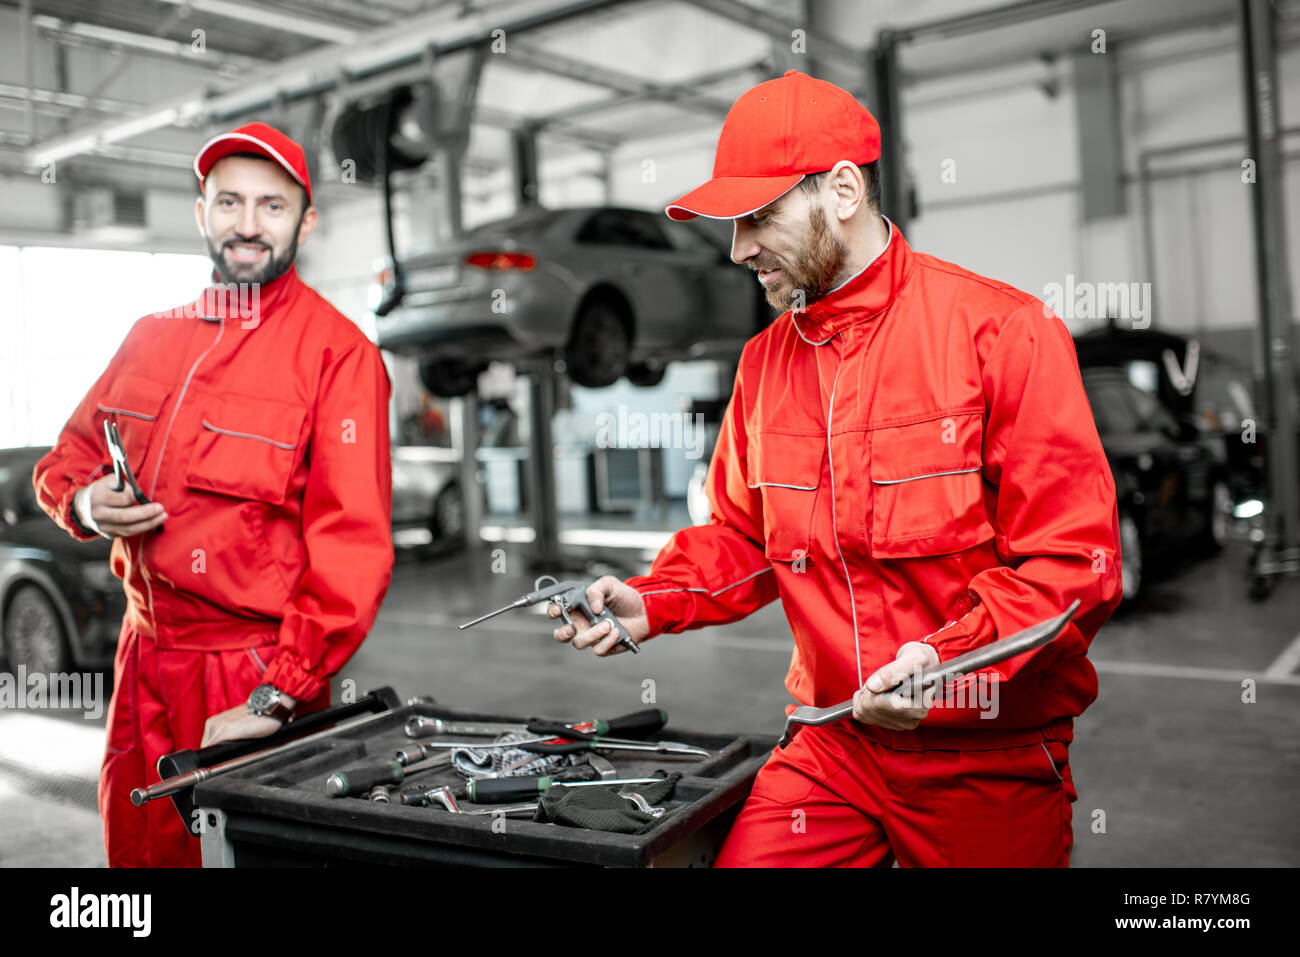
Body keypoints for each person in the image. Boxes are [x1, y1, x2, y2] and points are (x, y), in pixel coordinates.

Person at [550, 71, 1122, 866]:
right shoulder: (762, 366)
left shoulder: (1005, 334)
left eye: (759, 217)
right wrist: (651, 599)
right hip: (834, 744)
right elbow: (744, 539)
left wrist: (945, 661)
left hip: (986, 751)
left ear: (844, 190)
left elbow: (1074, 565)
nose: (739, 249)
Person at [32, 122, 395, 867]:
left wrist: (279, 694)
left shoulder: (339, 357)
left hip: (250, 674)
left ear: (306, 220)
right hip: (142, 662)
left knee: (241, 858)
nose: (248, 224)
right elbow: (65, 457)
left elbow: (351, 554)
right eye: (229, 202)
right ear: (202, 212)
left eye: (272, 206)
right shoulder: (148, 338)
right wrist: (86, 503)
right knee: (140, 855)